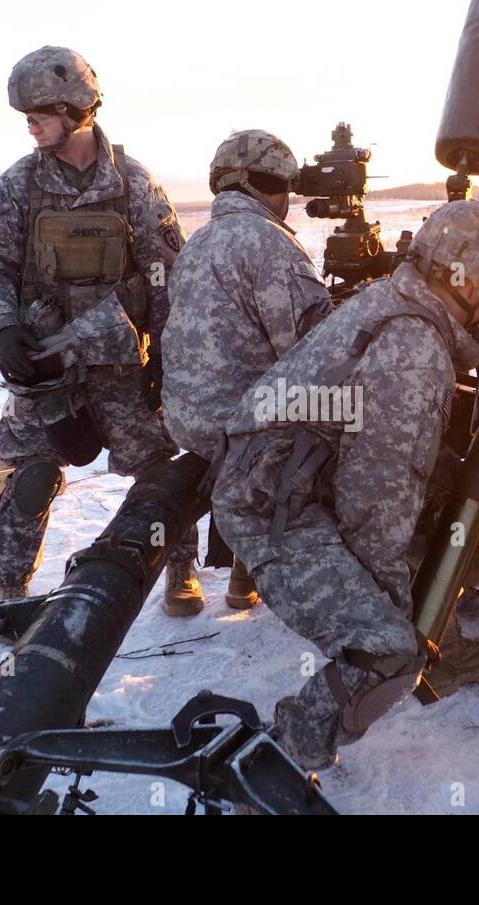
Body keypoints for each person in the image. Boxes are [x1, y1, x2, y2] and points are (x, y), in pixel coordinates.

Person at [210, 201, 479, 768]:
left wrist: (458, 474)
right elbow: (376, 496)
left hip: (295, 480)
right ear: (475, 283)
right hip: (272, 505)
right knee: (384, 653)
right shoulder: (415, 347)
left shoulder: (397, 304)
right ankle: (271, 764)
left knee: (443, 541)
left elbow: (383, 440)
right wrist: (391, 607)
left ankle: (445, 652)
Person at [0, 46, 199, 608]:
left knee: (157, 475)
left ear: (77, 110)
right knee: (32, 476)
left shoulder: (134, 184)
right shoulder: (19, 185)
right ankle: (11, 588)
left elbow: (167, 271)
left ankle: (179, 568)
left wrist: (166, 357)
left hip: (121, 363)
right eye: (26, 114)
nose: (30, 125)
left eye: (39, 113)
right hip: (47, 364)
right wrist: (2, 330)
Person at [161, 129, 331, 615]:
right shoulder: (273, 246)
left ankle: (216, 571)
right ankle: (259, 564)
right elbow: (309, 353)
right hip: (241, 432)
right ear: (269, 186)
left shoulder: (198, 243)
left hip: (187, 421)